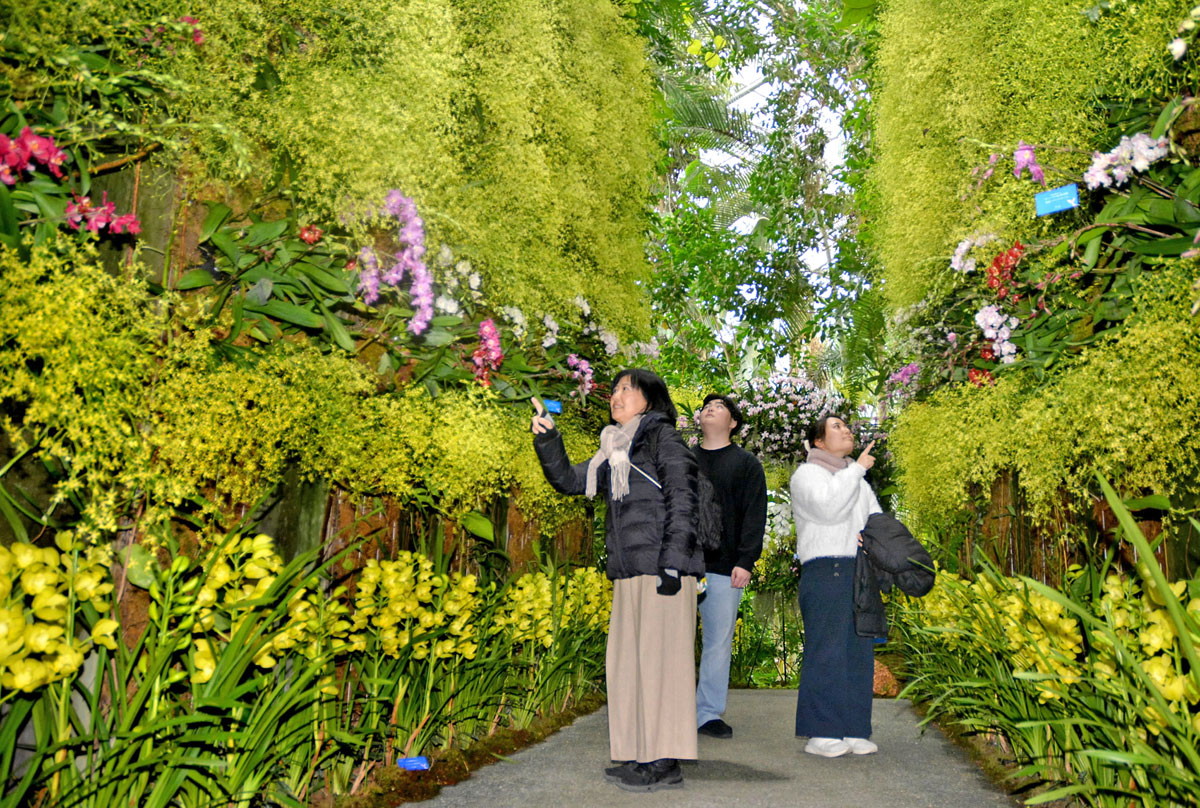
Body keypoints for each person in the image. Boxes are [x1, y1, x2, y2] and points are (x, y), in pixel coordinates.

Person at [531, 369, 705, 792]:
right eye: (613, 390)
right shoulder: (615, 447)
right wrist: (548, 438)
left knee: (663, 666)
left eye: (627, 388)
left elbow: (684, 498)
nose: (616, 395)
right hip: (629, 571)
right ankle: (642, 753)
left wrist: (673, 563)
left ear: (650, 400)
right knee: (629, 666)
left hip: (663, 569)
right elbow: (571, 481)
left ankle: (664, 761)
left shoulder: (663, 439)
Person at [789, 414, 881, 758]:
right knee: (826, 651)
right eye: (836, 427)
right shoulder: (807, 474)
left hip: (858, 570)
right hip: (825, 569)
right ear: (819, 442)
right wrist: (856, 470)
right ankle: (822, 732)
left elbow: (874, 519)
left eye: (846, 426)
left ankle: (854, 728)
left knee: (859, 652)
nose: (846, 430)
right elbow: (828, 508)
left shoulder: (856, 479)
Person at [692, 394, 767, 739]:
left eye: (719, 406)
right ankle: (672, 708)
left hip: (724, 568)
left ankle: (707, 714)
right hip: (681, 566)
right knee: (673, 640)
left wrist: (746, 560)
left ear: (734, 422)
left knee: (718, 642)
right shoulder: (682, 459)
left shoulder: (746, 464)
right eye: (706, 406)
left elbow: (755, 515)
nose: (710, 408)